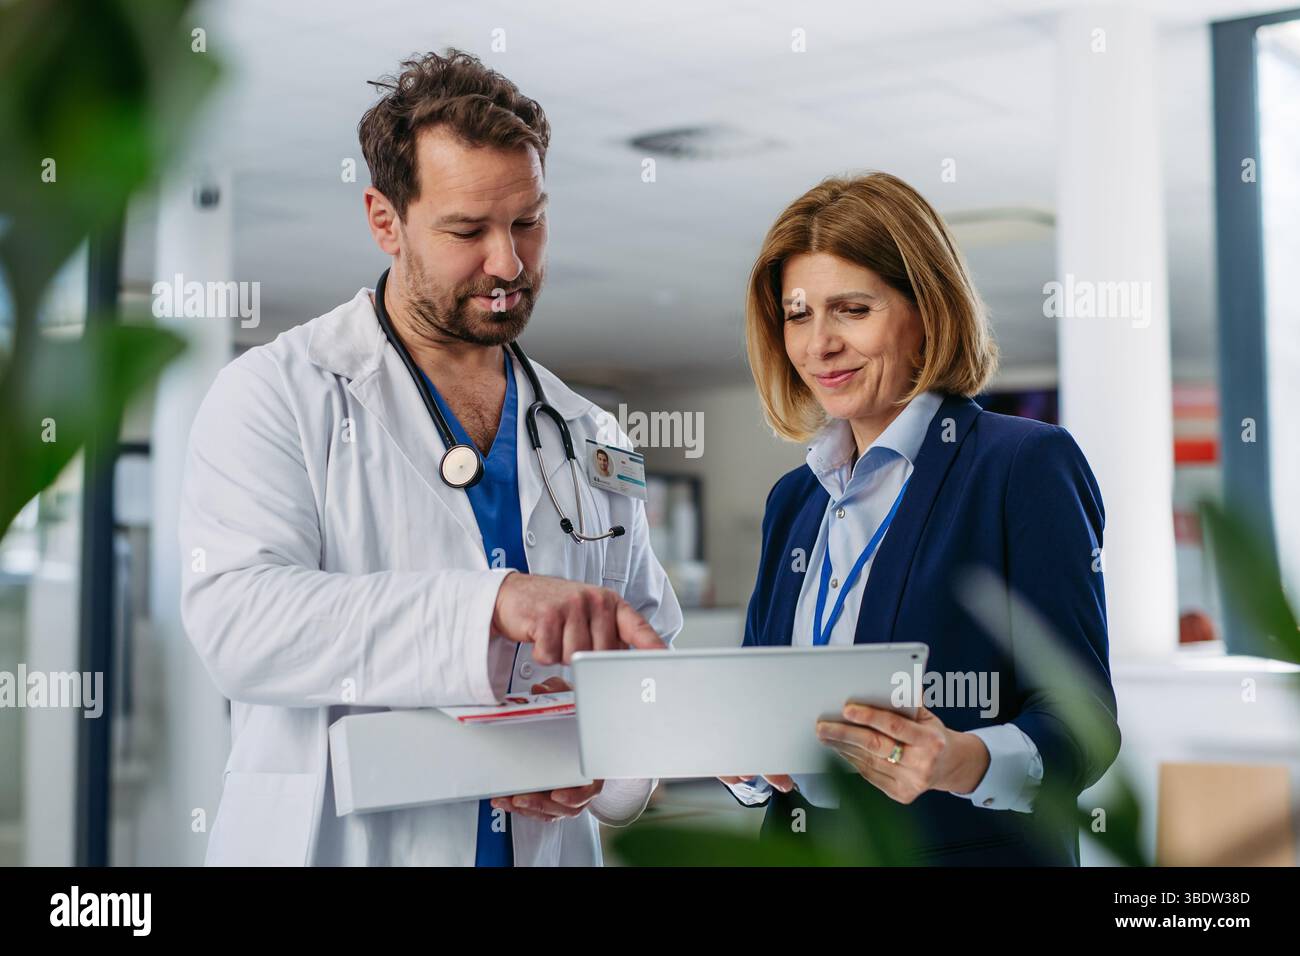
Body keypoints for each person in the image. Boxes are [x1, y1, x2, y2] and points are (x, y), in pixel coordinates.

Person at [179, 50, 682, 866]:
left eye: (528, 221)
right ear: (385, 221)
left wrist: (600, 764)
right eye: (467, 230)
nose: (508, 264)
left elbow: (647, 652)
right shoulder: (277, 394)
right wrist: (492, 604)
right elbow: (241, 625)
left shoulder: (592, 435)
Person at [720, 172, 1120, 865]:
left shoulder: (1021, 465)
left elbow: (1085, 728)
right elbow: (768, 702)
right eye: (798, 313)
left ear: (927, 311)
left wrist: (958, 760)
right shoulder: (795, 501)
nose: (820, 345)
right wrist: (746, 762)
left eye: (851, 309)